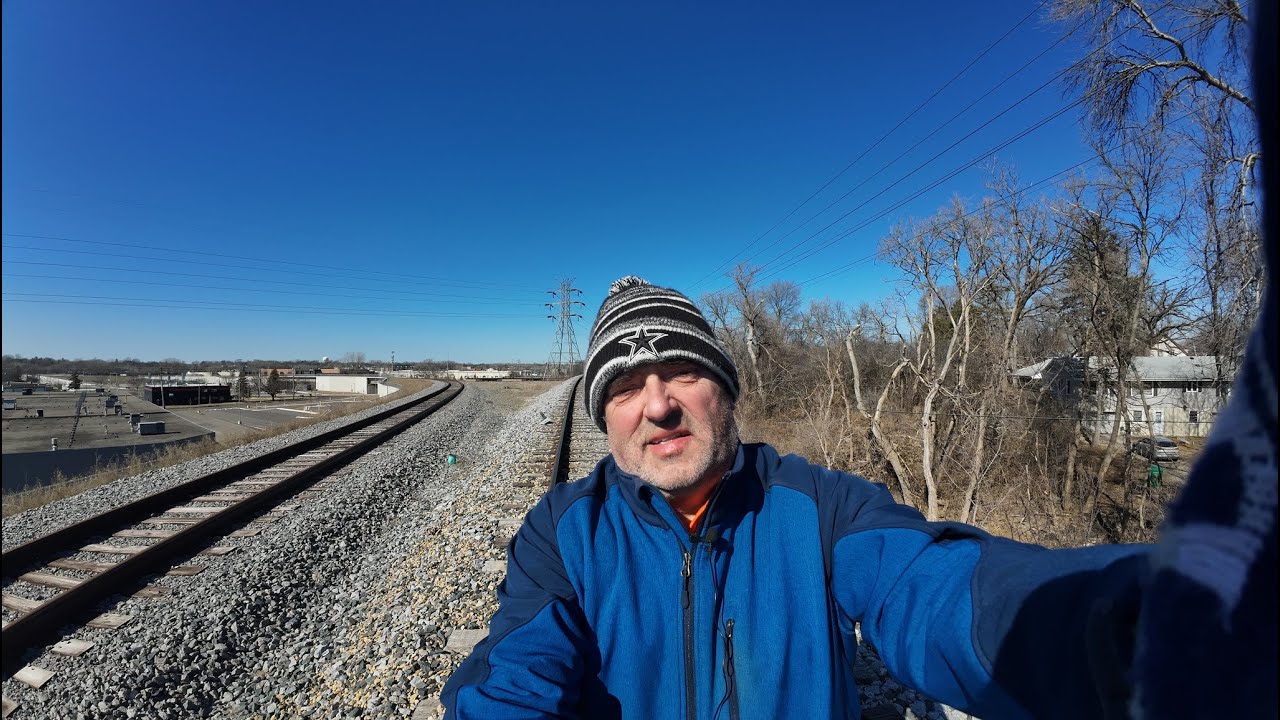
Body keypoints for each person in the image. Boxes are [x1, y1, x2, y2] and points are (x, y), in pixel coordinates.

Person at [442, 276, 1155, 719]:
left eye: (683, 373)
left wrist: (1127, 626)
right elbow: (515, 679)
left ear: (726, 390)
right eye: (625, 388)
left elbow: (940, 594)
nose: (656, 405)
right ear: (605, 419)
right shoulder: (565, 531)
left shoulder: (821, 508)